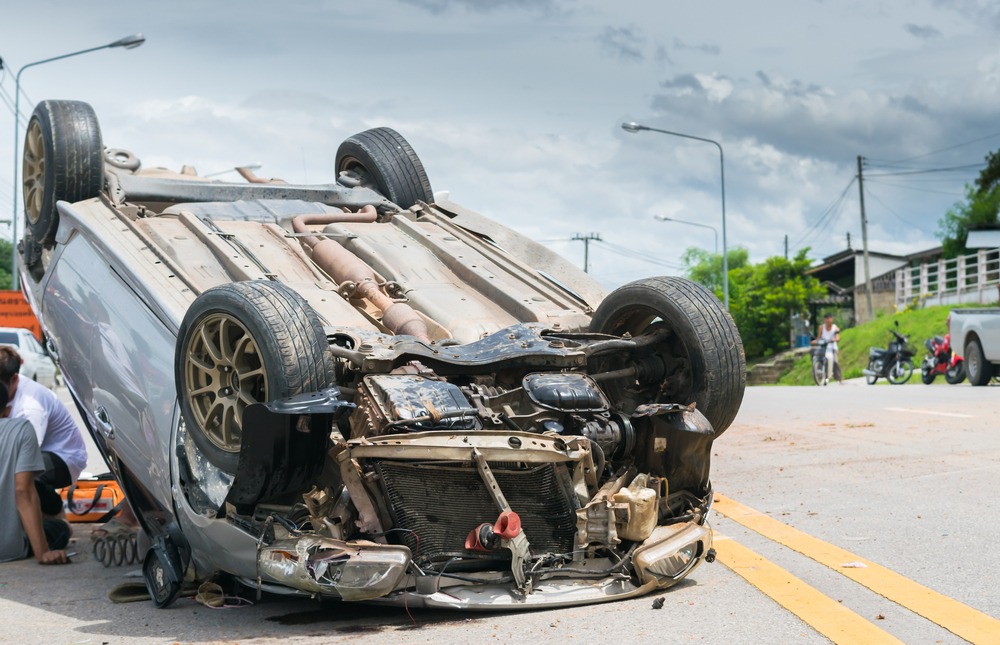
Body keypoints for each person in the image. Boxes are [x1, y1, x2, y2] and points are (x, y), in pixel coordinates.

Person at [0, 346, 88, 517]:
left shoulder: (30, 406)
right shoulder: (8, 390)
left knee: (16, 476)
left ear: (14, 379)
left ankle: (55, 514)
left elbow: (25, 456)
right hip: (35, 451)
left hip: (63, 458)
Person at [0, 380, 71, 564]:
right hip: (7, 548)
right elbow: (23, 492)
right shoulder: (20, 429)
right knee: (62, 528)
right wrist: (43, 552)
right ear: (7, 409)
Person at [818, 314, 844, 385]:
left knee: (835, 362)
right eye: (826, 319)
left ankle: (840, 378)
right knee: (818, 358)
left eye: (829, 318)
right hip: (823, 347)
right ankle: (819, 375)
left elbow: (837, 337)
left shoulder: (835, 328)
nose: (827, 320)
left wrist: (834, 339)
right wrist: (816, 341)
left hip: (832, 348)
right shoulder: (821, 327)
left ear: (832, 319)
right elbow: (819, 338)